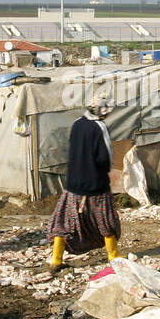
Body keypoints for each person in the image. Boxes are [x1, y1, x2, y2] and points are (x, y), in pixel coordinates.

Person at [47, 93, 121, 273]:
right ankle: (113, 256)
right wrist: (106, 169)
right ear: (104, 111)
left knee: (65, 221)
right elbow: (105, 157)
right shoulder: (99, 127)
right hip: (96, 184)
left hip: (74, 183)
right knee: (104, 219)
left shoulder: (77, 123)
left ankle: (56, 259)